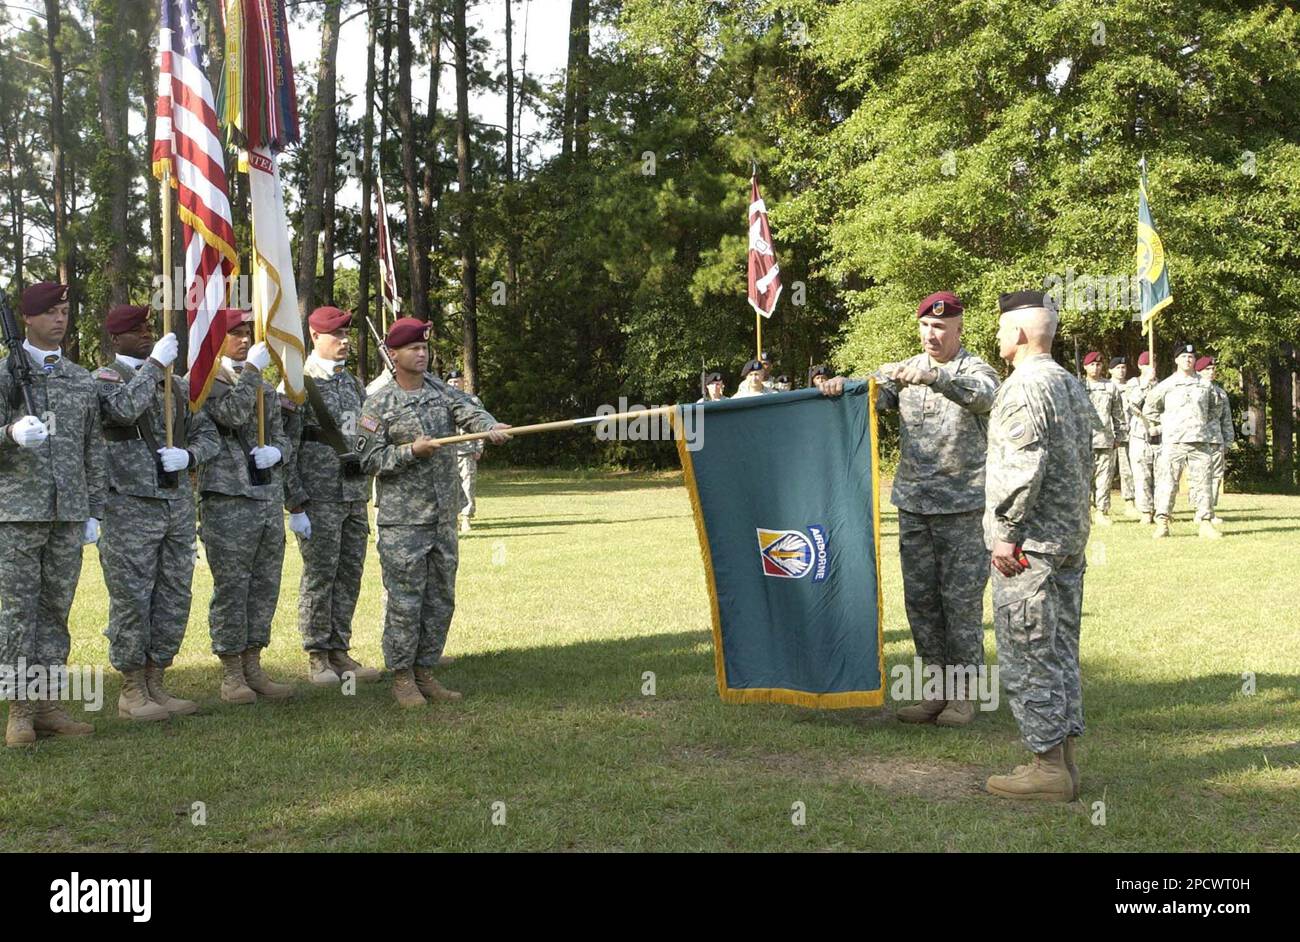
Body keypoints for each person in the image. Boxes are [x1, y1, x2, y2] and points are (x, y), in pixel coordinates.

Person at [822, 290, 998, 727]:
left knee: (959, 604)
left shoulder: (974, 369)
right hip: (914, 506)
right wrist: (835, 388)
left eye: (939, 327)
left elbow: (985, 397)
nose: (931, 334)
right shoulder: (902, 370)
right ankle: (934, 693)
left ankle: (963, 697)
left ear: (958, 328)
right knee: (921, 603)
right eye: (924, 326)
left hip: (963, 508)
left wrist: (935, 379)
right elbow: (862, 396)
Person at [356, 318, 512, 708]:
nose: (422, 353)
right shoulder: (379, 404)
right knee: (405, 601)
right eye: (413, 348)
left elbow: (470, 413)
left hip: (443, 515)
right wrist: (411, 451)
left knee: (440, 599)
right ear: (394, 355)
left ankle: (426, 670)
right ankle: (402, 677)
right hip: (403, 522)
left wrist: (489, 427)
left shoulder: (440, 391)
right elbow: (367, 458)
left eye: (425, 347)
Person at [983, 290, 1092, 801]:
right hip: (1066, 541)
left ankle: (1047, 769)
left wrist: (1005, 533)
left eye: (1003, 328)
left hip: (1031, 547)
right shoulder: (1068, 383)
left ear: (1021, 333)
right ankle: (1063, 761)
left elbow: (1021, 466)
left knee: (1030, 652)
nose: (999, 336)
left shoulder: (1023, 387)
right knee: (1061, 649)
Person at [95, 304, 220, 720]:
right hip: (130, 507)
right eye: (137, 329)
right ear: (116, 340)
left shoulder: (177, 385)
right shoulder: (106, 379)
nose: (147, 332)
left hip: (177, 505)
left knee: (173, 594)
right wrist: (153, 365)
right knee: (133, 597)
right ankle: (131, 689)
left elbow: (209, 436)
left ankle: (156, 681)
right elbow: (122, 410)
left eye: (149, 326)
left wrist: (189, 455)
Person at [0, 282, 105, 746]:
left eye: (64, 311)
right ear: (27, 319)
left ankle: (47, 704)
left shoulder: (79, 378)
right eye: (49, 312)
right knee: (17, 613)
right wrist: (8, 431)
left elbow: (93, 448)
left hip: (68, 512)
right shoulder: (5, 374)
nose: (59, 319)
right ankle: (19, 711)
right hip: (18, 513)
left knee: (55, 610)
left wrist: (93, 510)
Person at [198, 311, 296, 702]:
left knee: (264, 584)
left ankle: (254, 663)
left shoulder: (266, 388)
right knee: (233, 586)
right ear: (216, 341)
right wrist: (254, 371)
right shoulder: (205, 383)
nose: (242, 340)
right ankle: (231, 673)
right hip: (228, 498)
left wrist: (278, 452)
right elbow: (232, 414)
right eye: (233, 334)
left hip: (267, 497)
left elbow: (284, 437)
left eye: (245, 334)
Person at [282, 306, 381, 687]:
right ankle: (317, 655)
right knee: (320, 576)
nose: (344, 342)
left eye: (346, 335)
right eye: (336, 335)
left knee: (349, 574)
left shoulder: (352, 383)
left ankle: (340, 650)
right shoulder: (297, 384)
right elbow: (286, 446)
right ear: (314, 337)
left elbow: (366, 428)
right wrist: (295, 501)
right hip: (318, 497)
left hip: (353, 495)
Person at [1144, 341, 1223, 539]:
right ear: (1176, 360)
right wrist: (1165, 425)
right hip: (1174, 442)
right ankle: (1162, 522)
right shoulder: (1167, 385)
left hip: (1199, 441)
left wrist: (1202, 424)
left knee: (1203, 483)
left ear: (1195, 360)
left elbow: (1215, 410)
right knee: (1167, 483)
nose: (1188, 360)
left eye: (1191, 357)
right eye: (1184, 357)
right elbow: (1149, 408)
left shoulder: (1205, 385)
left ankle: (1205, 522)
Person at [1082, 351, 1124, 526]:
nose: (1096, 367)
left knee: (1104, 479)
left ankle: (1102, 511)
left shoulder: (1110, 387)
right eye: (1092, 364)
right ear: (1085, 367)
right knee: (1084, 479)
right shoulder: (1078, 385)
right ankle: (1085, 513)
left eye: (1099, 364)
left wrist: (1120, 435)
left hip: (1105, 440)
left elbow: (1118, 414)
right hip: (1084, 440)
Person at [446, 370, 485, 535]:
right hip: (447, 451)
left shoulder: (473, 401)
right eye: (451, 382)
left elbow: (481, 424)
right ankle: (452, 518)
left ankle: (466, 518)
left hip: (467, 449)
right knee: (449, 485)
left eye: (457, 381)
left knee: (468, 485)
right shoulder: (442, 401)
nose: (454, 384)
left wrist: (479, 447)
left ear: (463, 382)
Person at [1196, 356, 1234, 524]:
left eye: (1212, 369)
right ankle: (1199, 511)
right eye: (1207, 370)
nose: (1211, 372)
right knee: (1198, 475)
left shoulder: (1220, 392)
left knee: (1216, 476)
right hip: (1197, 438)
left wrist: (1228, 441)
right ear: (1198, 372)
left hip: (1215, 439)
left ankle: (1210, 510)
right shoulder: (1194, 390)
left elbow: (1226, 419)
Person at [1125, 351, 1160, 525]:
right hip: (1140, 433)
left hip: (1159, 433)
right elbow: (1132, 403)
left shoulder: (1163, 385)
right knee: (1142, 474)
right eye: (1147, 364)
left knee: (1161, 475)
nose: (1151, 367)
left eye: (1154, 363)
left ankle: (1160, 511)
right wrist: (1146, 384)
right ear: (1140, 366)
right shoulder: (1134, 383)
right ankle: (1146, 511)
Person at [1108, 356, 1137, 516]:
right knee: (1105, 471)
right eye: (1118, 368)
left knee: (1127, 471)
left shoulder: (1131, 388)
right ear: (1111, 370)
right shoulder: (1105, 386)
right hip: (1107, 435)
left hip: (1126, 434)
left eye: (1124, 368)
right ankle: (1099, 506)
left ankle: (1129, 502)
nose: (1121, 370)